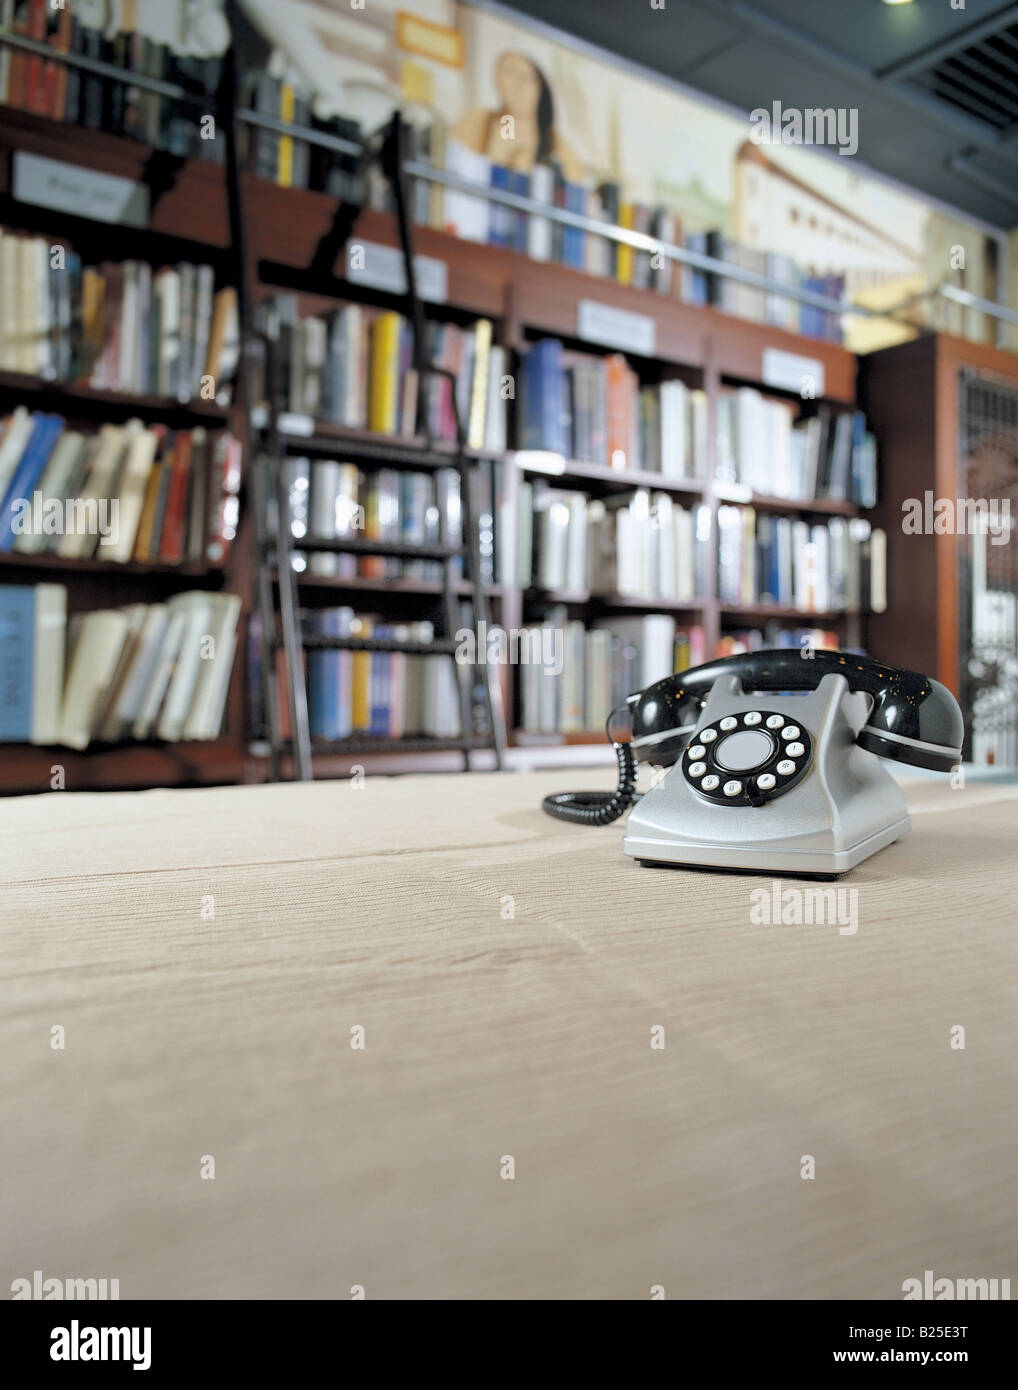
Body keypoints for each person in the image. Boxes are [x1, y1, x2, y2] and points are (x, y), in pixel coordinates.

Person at [453, 51, 584, 182]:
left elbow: (573, 184)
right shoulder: (478, 120)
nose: (517, 84)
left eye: (526, 77)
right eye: (508, 71)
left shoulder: (557, 145)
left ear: (541, 88)